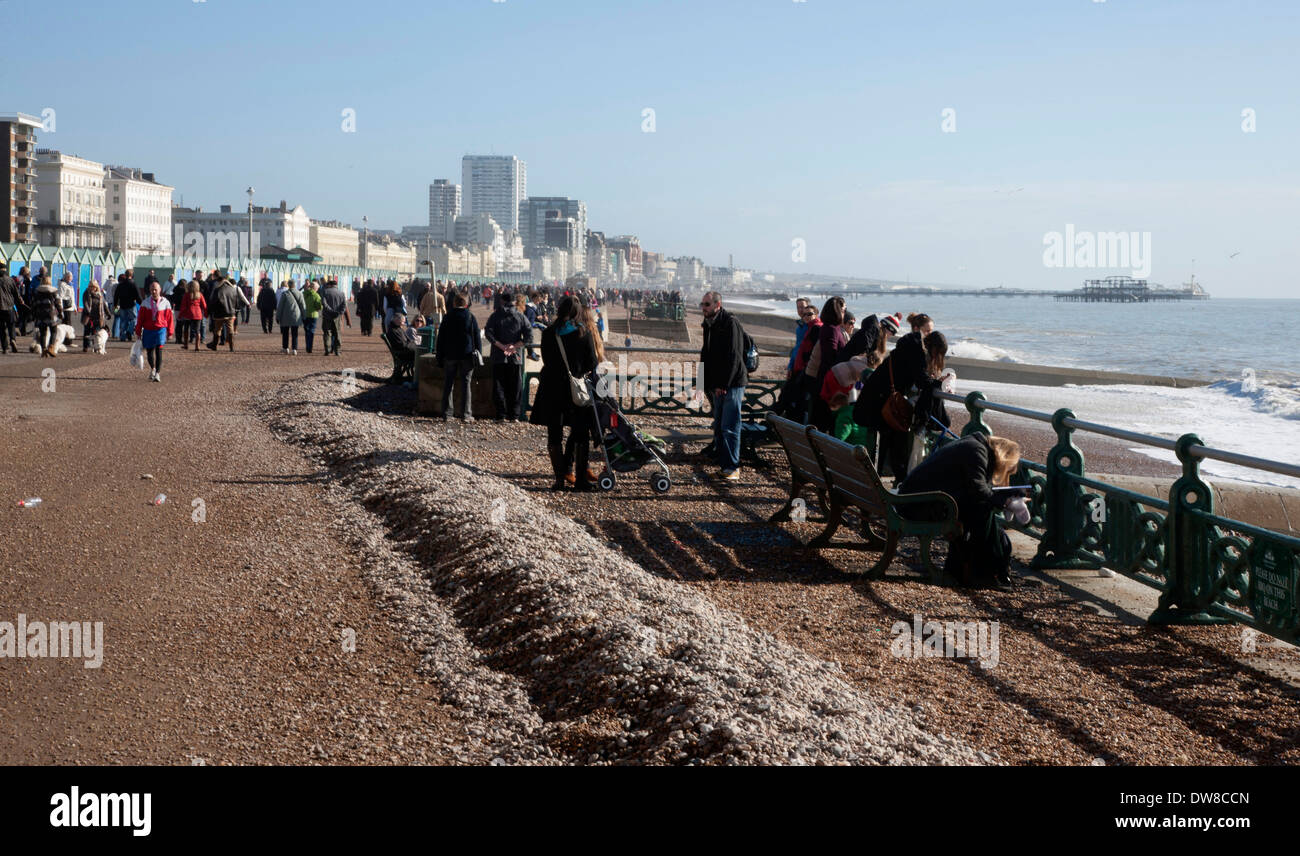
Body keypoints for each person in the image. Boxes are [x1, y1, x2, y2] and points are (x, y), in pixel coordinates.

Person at [899, 434, 1022, 589]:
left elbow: (975, 488)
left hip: (913, 500)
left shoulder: (973, 446)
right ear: (1003, 457)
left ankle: (971, 571)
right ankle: (982, 573)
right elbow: (978, 488)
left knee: (979, 511)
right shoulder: (976, 451)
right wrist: (1005, 502)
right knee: (981, 511)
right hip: (916, 506)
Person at [852, 329, 949, 481]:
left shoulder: (911, 346)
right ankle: (894, 480)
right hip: (881, 400)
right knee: (894, 438)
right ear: (935, 348)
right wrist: (938, 383)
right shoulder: (917, 353)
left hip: (876, 394)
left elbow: (914, 374)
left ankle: (880, 477)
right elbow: (922, 381)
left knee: (888, 439)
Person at [530, 295, 599, 491]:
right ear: (577, 313)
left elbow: (545, 359)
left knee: (554, 435)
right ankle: (581, 481)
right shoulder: (582, 333)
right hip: (573, 389)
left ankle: (559, 480)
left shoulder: (549, 333)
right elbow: (592, 363)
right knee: (580, 433)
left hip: (551, 389)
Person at [699, 290, 748, 480]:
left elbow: (734, 357)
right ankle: (724, 463)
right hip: (718, 384)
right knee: (719, 424)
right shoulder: (709, 324)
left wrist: (723, 384)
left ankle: (732, 467)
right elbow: (707, 353)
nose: (703, 308)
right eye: (702, 304)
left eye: (707, 304)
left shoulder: (730, 323)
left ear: (717, 305)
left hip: (732, 384)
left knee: (730, 425)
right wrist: (703, 382)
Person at [484, 290, 532, 421]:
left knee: (499, 385)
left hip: (498, 356)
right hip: (515, 356)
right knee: (515, 386)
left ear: (502, 301)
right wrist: (514, 346)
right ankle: (514, 415)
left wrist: (500, 345)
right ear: (514, 302)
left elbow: (488, 332)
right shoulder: (520, 316)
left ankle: (501, 414)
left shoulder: (495, 316)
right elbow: (529, 335)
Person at [434, 292, 481, 421]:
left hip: (450, 355)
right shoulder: (471, 317)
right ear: (466, 304)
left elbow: (441, 339)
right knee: (466, 384)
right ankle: (466, 414)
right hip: (467, 354)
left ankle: (447, 414)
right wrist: (479, 354)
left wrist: (439, 356)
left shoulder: (448, 317)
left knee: (449, 383)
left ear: (454, 303)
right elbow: (477, 338)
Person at [807, 297, 848, 432]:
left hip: (826, 380)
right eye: (843, 310)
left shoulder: (833, 328)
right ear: (836, 311)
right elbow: (829, 357)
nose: (844, 313)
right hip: (826, 383)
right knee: (821, 422)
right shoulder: (831, 329)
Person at [134, 280, 175, 382]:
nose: (154, 292)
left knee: (159, 351)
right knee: (149, 352)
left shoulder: (165, 303)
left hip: (160, 330)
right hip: (148, 330)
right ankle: (152, 369)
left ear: (160, 290)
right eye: (152, 290)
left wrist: (170, 332)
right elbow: (140, 319)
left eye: (155, 289)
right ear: (149, 290)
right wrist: (138, 332)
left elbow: (170, 319)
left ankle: (158, 373)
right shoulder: (145, 303)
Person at [206, 278, 242, 352]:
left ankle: (214, 345)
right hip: (230, 313)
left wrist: (210, 311)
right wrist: (235, 311)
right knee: (230, 330)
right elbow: (237, 301)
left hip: (219, 313)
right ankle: (231, 347)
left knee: (218, 329)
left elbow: (213, 302)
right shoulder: (233, 289)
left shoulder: (217, 290)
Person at [319, 279, 351, 356]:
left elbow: (324, 303)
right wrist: (339, 312)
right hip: (337, 317)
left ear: (329, 285)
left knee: (327, 333)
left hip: (327, 316)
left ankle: (328, 349)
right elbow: (344, 305)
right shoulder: (341, 293)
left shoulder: (325, 292)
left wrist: (330, 311)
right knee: (337, 333)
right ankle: (338, 350)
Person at [32, 276, 61, 358]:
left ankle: (44, 350)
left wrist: (34, 314)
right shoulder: (54, 291)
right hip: (51, 314)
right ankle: (51, 347)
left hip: (41, 314)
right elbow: (58, 303)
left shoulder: (37, 291)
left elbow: (34, 303)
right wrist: (60, 312)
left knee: (43, 333)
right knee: (54, 331)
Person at [276, 279, 305, 354]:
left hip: (285, 316)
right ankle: (294, 349)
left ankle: (285, 348)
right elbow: (302, 306)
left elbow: (280, 306)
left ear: (288, 285)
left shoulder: (285, 294)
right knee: (294, 333)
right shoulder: (299, 293)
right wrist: (304, 316)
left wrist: (278, 316)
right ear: (295, 285)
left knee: (285, 333)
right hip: (296, 315)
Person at [80, 280, 110, 353]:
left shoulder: (100, 294)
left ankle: (96, 346)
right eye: (90, 286)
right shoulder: (87, 293)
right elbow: (86, 303)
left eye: (93, 287)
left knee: (96, 333)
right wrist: (88, 312)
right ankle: (85, 346)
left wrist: (108, 313)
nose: (92, 288)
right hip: (89, 316)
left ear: (96, 287)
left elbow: (104, 305)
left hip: (98, 316)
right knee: (87, 331)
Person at [0, 270, 24, 354]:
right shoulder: (10, 280)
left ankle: (5, 347)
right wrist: (20, 301)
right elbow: (16, 293)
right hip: (9, 307)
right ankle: (13, 339)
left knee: (2, 329)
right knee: (11, 326)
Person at [177, 281, 206, 349]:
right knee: (197, 331)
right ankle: (197, 346)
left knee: (186, 330)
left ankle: (186, 345)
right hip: (198, 314)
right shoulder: (200, 295)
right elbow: (204, 305)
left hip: (188, 314)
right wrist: (206, 314)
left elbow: (183, 306)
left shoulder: (186, 295)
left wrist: (180, 315)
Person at [113, 272, 139, 342]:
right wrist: (141, 303)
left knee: (123, 321)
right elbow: (137, 295)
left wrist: (115, 306)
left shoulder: (120, 285)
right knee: (134, 319)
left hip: (122, 305)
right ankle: (129, 331)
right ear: (131, 275)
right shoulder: (133, 283)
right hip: (131, 305)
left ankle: (123, 336)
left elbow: (116, 296)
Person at [301, 280, 322, 354]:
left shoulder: (303, 294)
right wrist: (320, 308)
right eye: (317, 288)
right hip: (313, 315)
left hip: (305, 315)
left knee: (307, 331)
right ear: (315, 288)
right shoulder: (316, 295)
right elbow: (319, 306)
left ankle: (307, 346)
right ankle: (309, 347)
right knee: (311, 331)